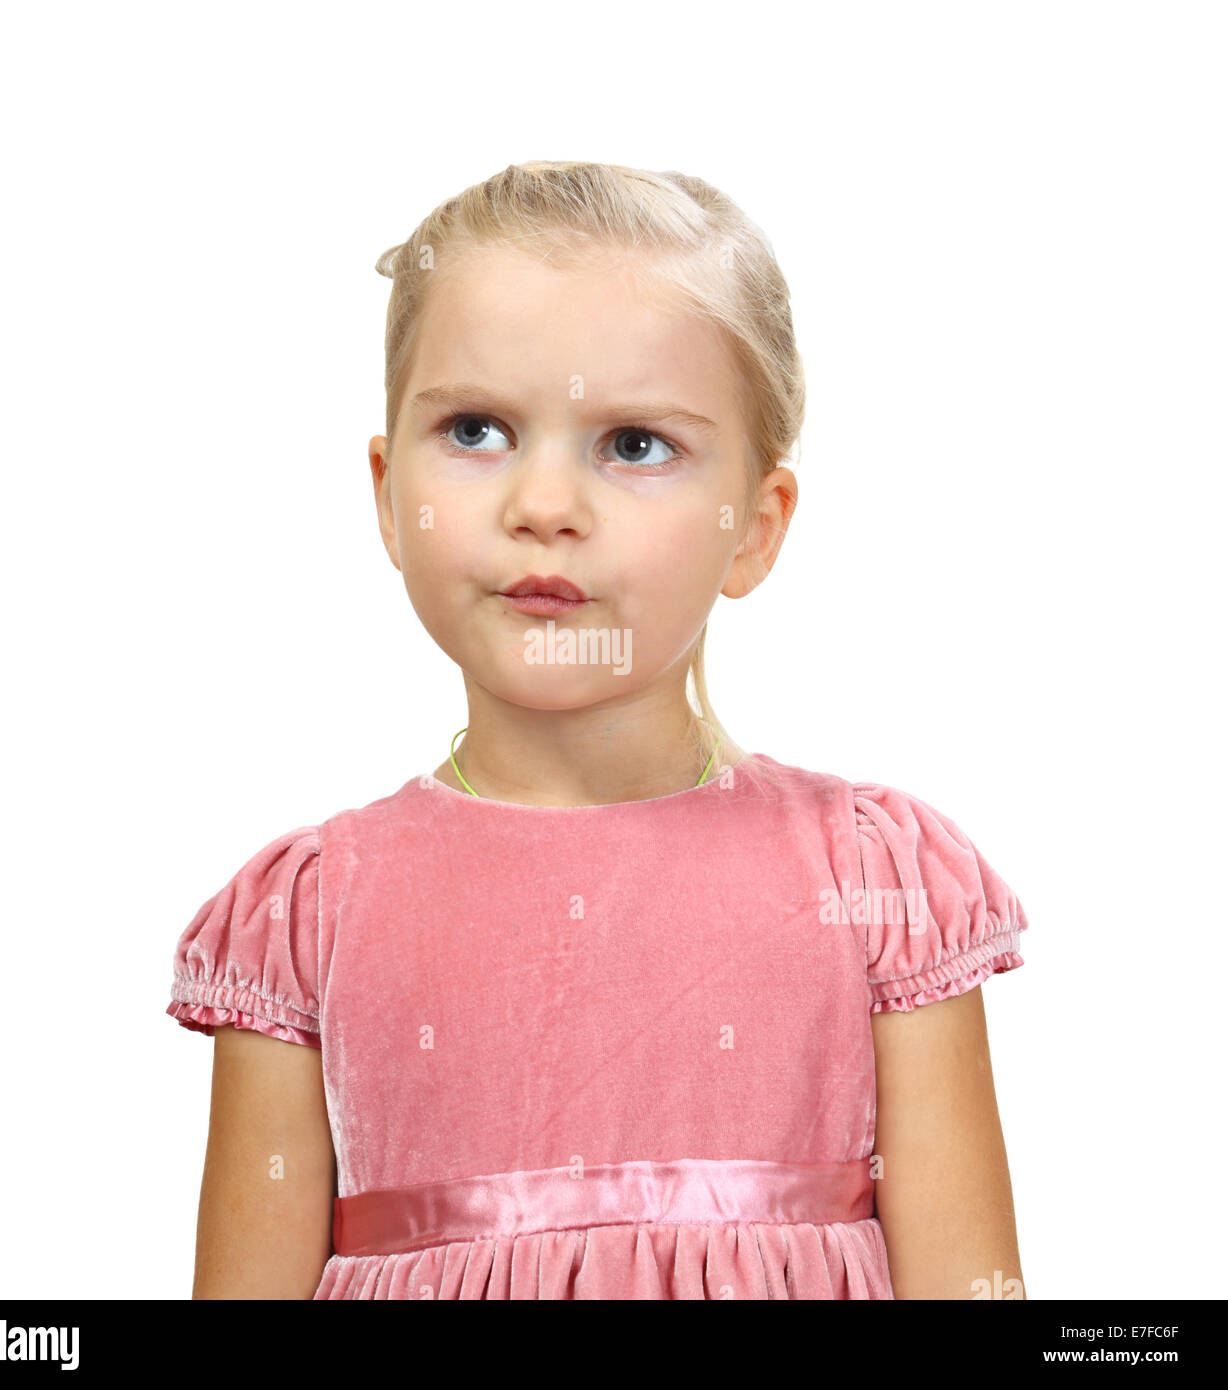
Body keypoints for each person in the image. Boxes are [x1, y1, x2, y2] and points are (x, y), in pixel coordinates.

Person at [166, 161, 1030, 1299]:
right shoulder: (310, 917)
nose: (543, 505)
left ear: (753, 529)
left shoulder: (872, 884)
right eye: (476, 429)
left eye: (632, 445)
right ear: (387, 496)